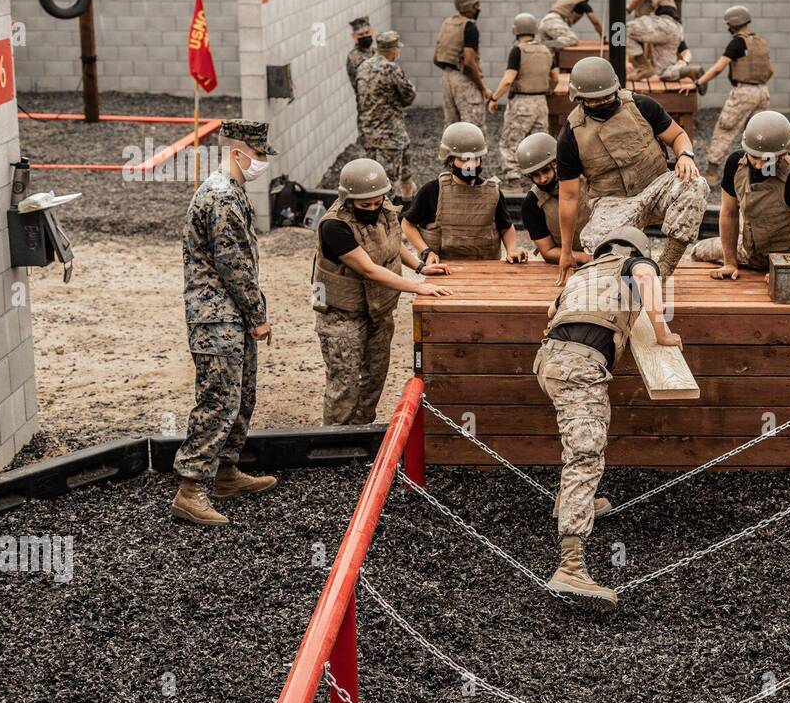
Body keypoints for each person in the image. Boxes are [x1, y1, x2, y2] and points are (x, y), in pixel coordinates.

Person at [536, 226, 682, 608]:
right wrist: (662, 332)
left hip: (550, 361)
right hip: (579, 366)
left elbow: (552, 312)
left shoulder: (582, 274)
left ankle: (572, 501)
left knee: (581, 431)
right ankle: (570, 566)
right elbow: (650, 281)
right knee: (585, 452)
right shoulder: (635, 264)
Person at [171, 120, 278, 526]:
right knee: (218, 400)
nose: (263, 162)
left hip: (229, 315)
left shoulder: (231, 192)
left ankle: (226, 472)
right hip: (216, 317)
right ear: (238, 153)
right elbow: (233, 267)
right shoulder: (221, 199)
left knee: (240, 395)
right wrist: (258, 316)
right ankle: (191, 487)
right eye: (260, 154)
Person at [313, 158, 454, 426]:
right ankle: (333, 443)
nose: (373, 208)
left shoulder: (383, 208)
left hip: (378, 310)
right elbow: (369, 270)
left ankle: (362, 431)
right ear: (348, 199)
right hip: (343, 316)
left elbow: (392, 242)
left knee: (374, 378)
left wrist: (420, 267)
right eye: (365, 205)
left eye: (377, 202)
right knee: (344, 385)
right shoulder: (335, 226)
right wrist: (417, 286)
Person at [554, 56, 709, 282]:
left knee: (695, 184)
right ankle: (632, 269)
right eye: (595, 100)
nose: (603, 103)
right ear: (580, 99)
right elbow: (568, 196)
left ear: (616, 89)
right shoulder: (571, 135)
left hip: (656, 186)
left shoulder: (641, 105)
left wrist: (685, 155)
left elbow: (677, 135)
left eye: (607, 96)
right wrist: (566, 251)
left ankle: (665, 265)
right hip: (613, 200)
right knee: (595, 245)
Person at [691, 111, 790, 275]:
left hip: (784, 258)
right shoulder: (735, 165)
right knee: (698, 251)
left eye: (766, 158)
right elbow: (729, 213)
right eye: (754, 156)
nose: (759, 165)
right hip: (749, 250)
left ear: (783, 153)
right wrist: (730, 263)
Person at [402, 122, 527, 263]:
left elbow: (506, 227)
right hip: (444, 269)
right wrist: (426, 252)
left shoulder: (493, 193)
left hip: (486, 270)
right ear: (450, 160)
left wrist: (511, 250)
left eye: (476, 159)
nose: (471, 166)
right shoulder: (432, 191)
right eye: (464, 159)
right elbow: (407, 224)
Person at [689, 5, 774, 178]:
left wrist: (698, 83)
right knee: (760, 133)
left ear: (733, 24)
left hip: (744, 93)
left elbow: (718, 68)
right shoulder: (760, 41)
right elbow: (770, 69)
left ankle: (712, 172)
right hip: (763, 92)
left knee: (725, 129)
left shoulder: (737, 42)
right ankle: (765, 171)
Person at [489, 13, 558, 189]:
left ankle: (514, 182)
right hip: (541, 103)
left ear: (516, 30)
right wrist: (547, 91)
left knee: (510, 143)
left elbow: (508, 79)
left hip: (522, 103)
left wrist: (494, 97)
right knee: (540, 144)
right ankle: (545, 182)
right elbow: (555, 77)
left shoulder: (518, 50)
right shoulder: (547, 51)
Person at [355, 30, 417, 198]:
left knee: (372, 175)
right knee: (387, 182)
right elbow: (408, 96)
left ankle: (406, 197)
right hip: (390, 134)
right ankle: (388, 214)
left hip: (368, 132)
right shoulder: (391, 69)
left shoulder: (363, 67)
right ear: (393, 50)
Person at [517, 132, 593, 267]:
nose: (542, 179)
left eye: (546, 171)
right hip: (569, 263)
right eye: (535, 175)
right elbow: (548, 251)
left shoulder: (586, 181)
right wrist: (585, 258)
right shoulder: (532, 203)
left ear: (556, 163)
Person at [434, 0, 492, 128]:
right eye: (476, 5)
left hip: (447, 77)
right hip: (464, 80)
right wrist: (483, 89)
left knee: (452, 127)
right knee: (473, 128)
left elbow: (436, 57)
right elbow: (469, 62)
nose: (479, 8)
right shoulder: (470, 27)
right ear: (469, 6)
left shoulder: (447, 23)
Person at [625, 0, 683, 81]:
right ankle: (690, 71)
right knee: (664, 73)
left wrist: (626, 9)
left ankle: (643, 66)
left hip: (664, 23)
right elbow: (643, 38)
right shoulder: (646, 6)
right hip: (674, 30)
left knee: (620, 29)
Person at [538, 0, 605, 49]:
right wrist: (602, 36)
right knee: (572, 39)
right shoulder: (581, 2)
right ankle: (543, 44)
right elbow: (595, 22)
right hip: (555, 21)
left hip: (544, 22)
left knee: (550, 50)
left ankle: (543, 44)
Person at [346, 15, 374, 148]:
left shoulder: (376, 52)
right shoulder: (354, 57)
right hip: (368, 109)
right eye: (361, 34)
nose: (365, 36)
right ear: (354, 37)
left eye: (367, 33)